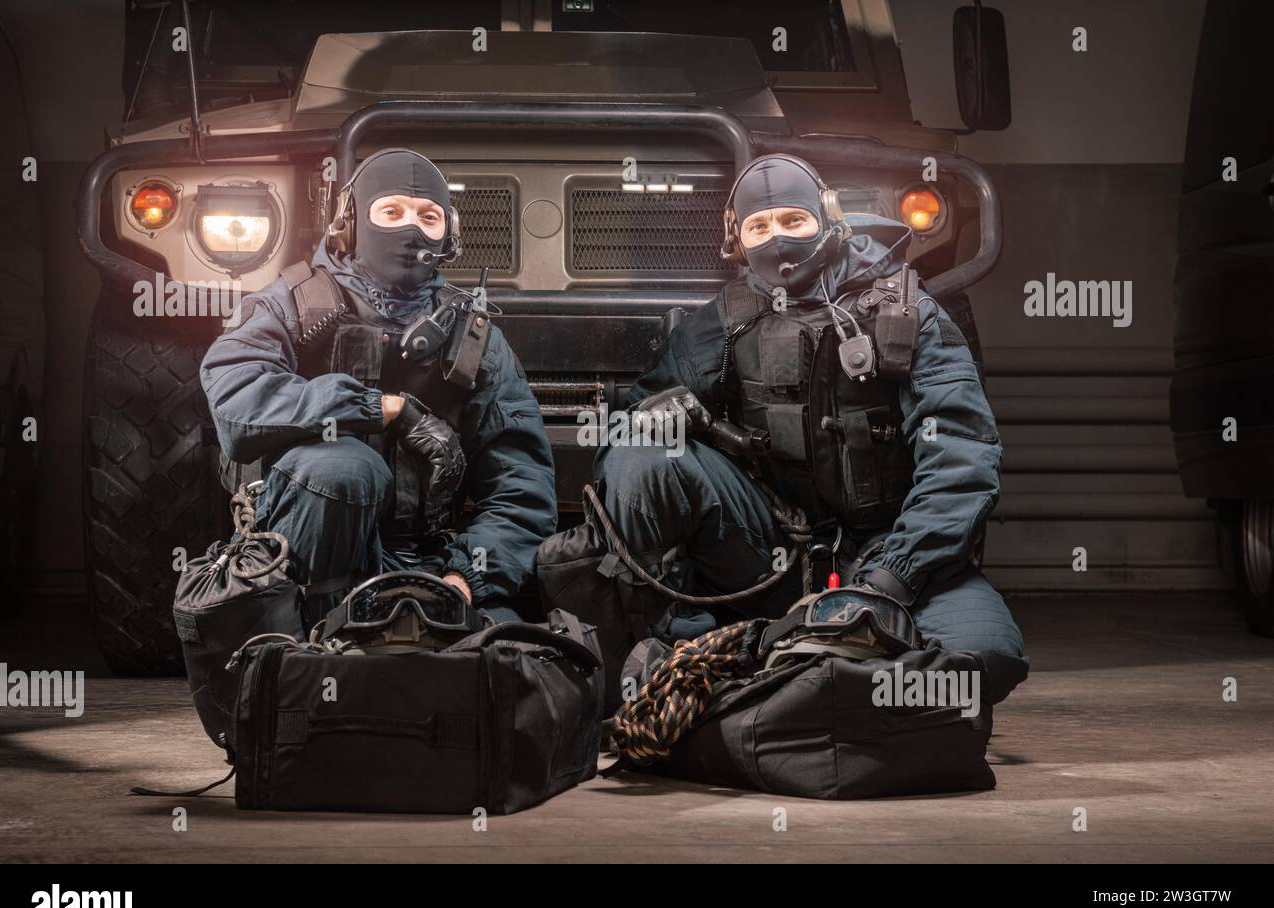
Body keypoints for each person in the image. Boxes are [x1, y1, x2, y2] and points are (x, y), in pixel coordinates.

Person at [588, 153, 1029, 703]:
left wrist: (893, 575)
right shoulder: (720, 324)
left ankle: (781, 660)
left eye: (794, 221)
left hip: (895, 557)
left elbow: (963, 457)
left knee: (984, 658)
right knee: (640, 449)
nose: (778, 240)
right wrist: (660, 418)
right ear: (736, 239)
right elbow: (622, 437)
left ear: (827, 219)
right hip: (772, 556)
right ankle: (775, 650)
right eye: (759, 227)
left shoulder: (906, 311)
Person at [200, 148, 556, 623]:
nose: (411, 230)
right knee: (343, 469)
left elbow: (522, 488)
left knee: (521, 664)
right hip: (292, 565)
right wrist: (381, 409)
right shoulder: (286, 307)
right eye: (390, 212)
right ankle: (318, 635)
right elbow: (236, 403)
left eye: (428, 217)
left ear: (448, 235)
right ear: (349, 222)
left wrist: (465, 580)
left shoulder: (475, 341)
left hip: (428, 566)